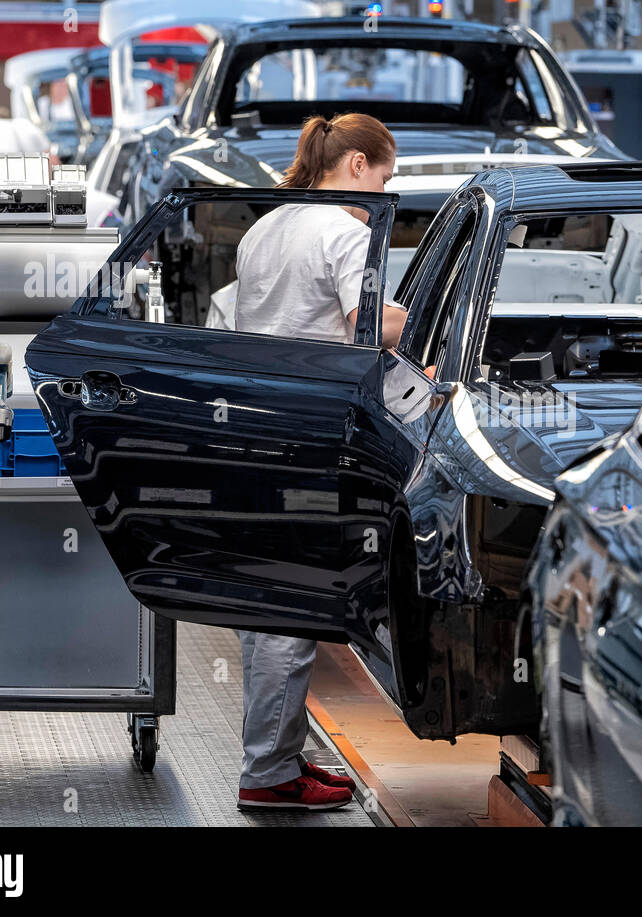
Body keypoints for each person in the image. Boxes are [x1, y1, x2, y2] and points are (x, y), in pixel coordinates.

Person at [233, 112, 405, 811]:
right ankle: (269, 774)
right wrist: (428, 315)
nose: (380, 191)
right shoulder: (342, 229)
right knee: (292, 605)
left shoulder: (266, 226)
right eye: (385, 176)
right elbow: (369, 323)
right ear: (358, 164)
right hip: (305, 434)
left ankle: (275, 752)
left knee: (261, 602)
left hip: (252, 429)